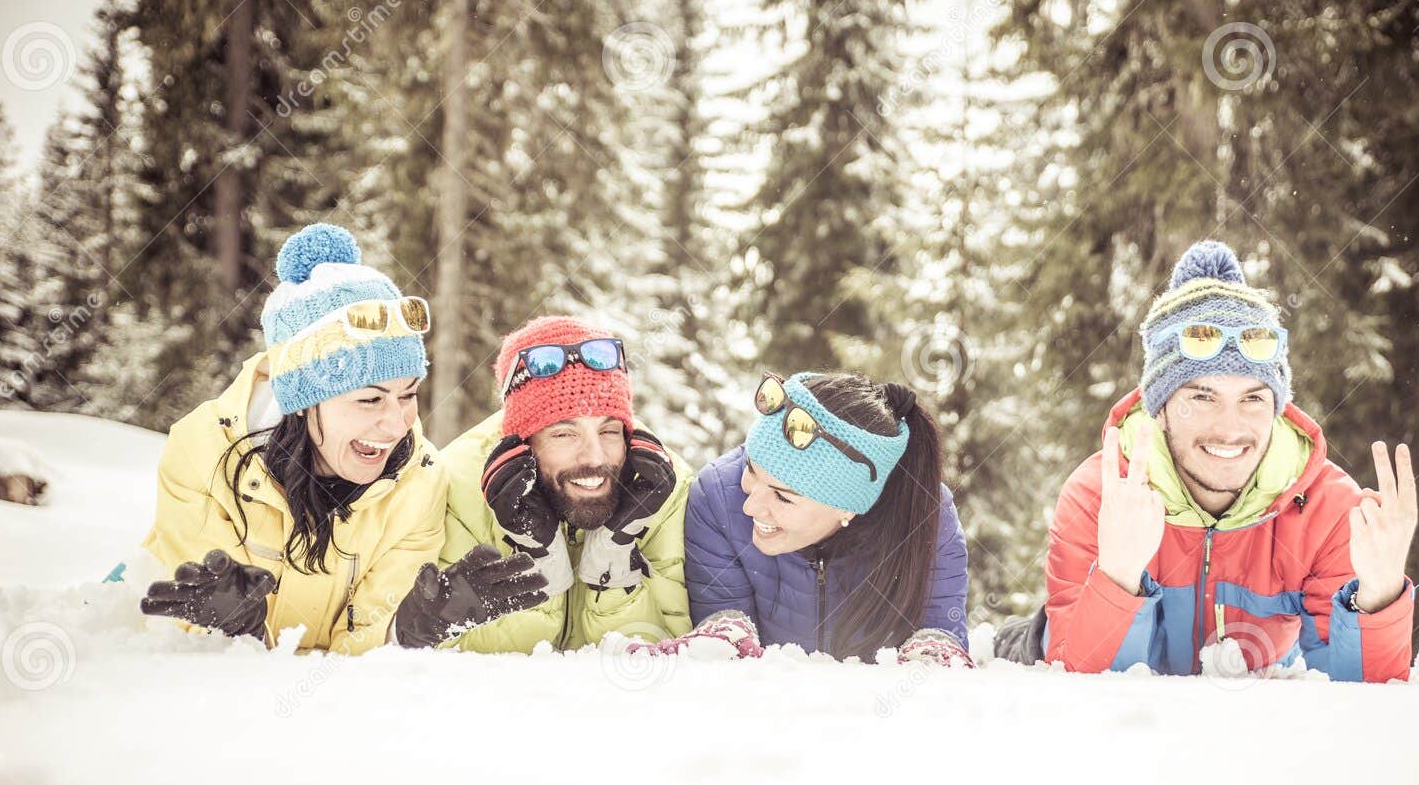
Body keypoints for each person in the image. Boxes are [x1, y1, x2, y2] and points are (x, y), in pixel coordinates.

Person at [994, 240, 1417, 682]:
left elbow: (1362, 699)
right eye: (1202, 396)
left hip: (1251, 703)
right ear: (1157, 409)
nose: (1230, 428)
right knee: (1033, 644)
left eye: (1253, 398)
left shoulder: (1326, 510)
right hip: (1129, 708)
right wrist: (1118, 577)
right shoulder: (1100, 495)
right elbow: (1083, 686)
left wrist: (1378, 599)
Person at [140, 224, 545, 653]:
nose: (396, 425)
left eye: (408, 394)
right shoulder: (202, 452)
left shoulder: (418, 479)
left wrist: (405, 627)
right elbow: (183, 625)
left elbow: (357, 650)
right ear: (301, 398)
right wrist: (234, 631)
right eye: (370, 400)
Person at [666, 370, 972, 666]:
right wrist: (723, 636)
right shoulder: (718, 498)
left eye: (783, 496)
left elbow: (938, 632)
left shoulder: (925, 515)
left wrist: (934, 652)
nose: (750, 507)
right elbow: (722, 650)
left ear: (847, 506)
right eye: (751, 468)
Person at [438, 316, 693, 652]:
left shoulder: (662, 488)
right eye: (564, 433)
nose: (595, 456)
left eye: (609, 431)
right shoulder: (457, 484)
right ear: (522, 444)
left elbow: (668, 652)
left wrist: (614, 560)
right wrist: (536, 565)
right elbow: (442, 655)